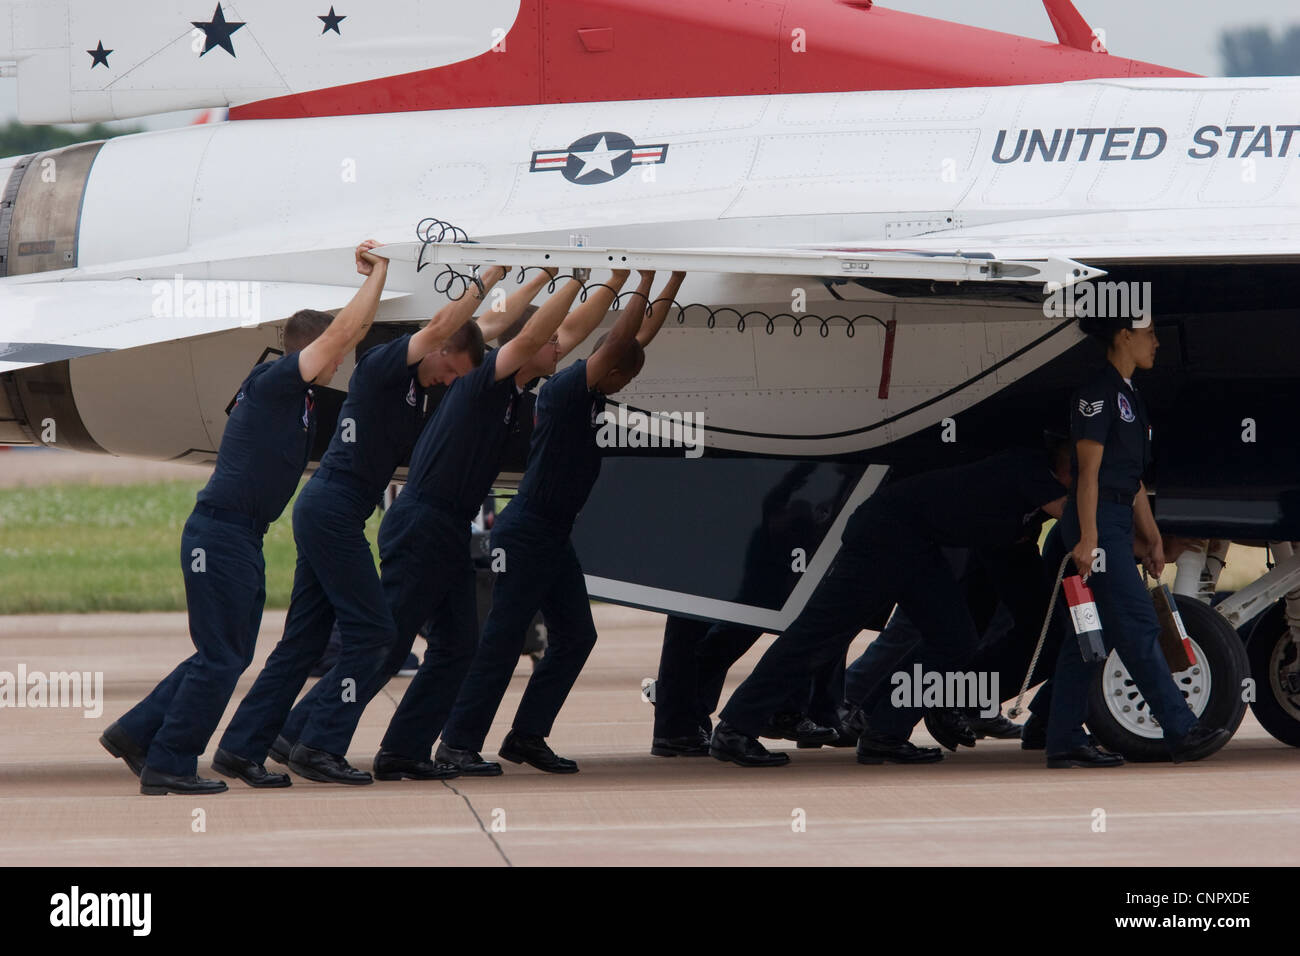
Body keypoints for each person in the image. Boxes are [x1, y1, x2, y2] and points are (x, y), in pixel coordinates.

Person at [210, 265, 554, 787]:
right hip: (332, 510)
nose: (453, 382)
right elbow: (447, 326)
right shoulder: (379, 368)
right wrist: (491, 272)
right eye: (451, 371)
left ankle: (242, 746)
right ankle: (318, 744)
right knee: (374, 634)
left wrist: (540, 277)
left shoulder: (431, 379)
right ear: (433, 351)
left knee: (303, 641)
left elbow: (485, 328)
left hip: (338, 511)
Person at [284, 269, 630, 782]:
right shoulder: (482, 383)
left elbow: (562, 331)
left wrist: (619, 278)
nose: (560, 350)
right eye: (548, 344)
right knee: (386, 642)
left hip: (446, 527)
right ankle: (310, 739)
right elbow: (534, 334)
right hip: (423, 522)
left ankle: (399, 748)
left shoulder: (512, 384)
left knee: (457, 645)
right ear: (522, 348)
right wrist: (565, 279)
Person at [98, 240, 388, 795]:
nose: (342, 363)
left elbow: (347, 334)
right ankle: (169, 763)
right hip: (220, 532)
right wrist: (380, 272)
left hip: (240, 536)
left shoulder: (300, 399)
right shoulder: (277, 381)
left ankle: (136, 733)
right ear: (311, 351)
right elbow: (343, 332)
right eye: (333, 354)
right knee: (222, 657)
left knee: (225, 652)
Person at [439, 272, 683, 774]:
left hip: (552, 534)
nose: (623, 386)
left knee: (576, 635)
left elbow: (636, 339)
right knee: (504, 639)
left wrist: (669, 279)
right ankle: (457, 743)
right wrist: (639, 281)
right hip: (527, 531)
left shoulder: (587, 392)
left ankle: (526, 736)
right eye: (622, 379)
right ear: (609, 372)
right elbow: (620, 342)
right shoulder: (567, 390)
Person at [711, 446, 1069, 767]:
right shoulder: (1028, 466)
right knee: (818, 634)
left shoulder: (1036, 483)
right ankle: (735, 729)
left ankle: (884, 732)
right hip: (884, 535)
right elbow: (1075, 516)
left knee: (953, 640)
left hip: (915, 544)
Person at [1042, 315, 1229, 767]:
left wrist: (1151, 538)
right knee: (1139, 624)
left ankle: (1062, 739)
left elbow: (1134, 481)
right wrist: (1089, 538)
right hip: (1098, 521)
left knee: (1087, 637)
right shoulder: (1097, 394)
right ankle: (1181, 729)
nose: (1157, 344)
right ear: (1124, 336)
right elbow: (1088, 475)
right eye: (1149, 335)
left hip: (1116, 518)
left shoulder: (1130, 396)